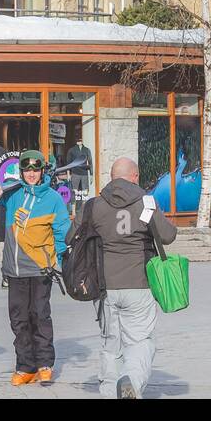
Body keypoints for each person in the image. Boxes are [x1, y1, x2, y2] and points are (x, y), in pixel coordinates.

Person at [70, 156, 177, 399]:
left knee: (110, 345)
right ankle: (132, 381)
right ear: (135, 176)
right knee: (140, 341)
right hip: (139, 285)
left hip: (104, 287)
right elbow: (168, 235)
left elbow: (70, 237)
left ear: (111, 177)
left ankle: (110, 393)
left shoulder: (93, 205)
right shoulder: (145, 203)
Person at [0, 149, 70, 387]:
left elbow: (62, 233)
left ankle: (44, 364)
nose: (31, 174)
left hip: (40, 268)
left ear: (42, 171)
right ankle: (25, 366)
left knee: (39, 315)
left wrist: (62, 262)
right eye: (27, 169)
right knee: (18, 319)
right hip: (14, 270)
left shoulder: (53, 198)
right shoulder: (13, 193)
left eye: (36, 169)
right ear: (21, 171)